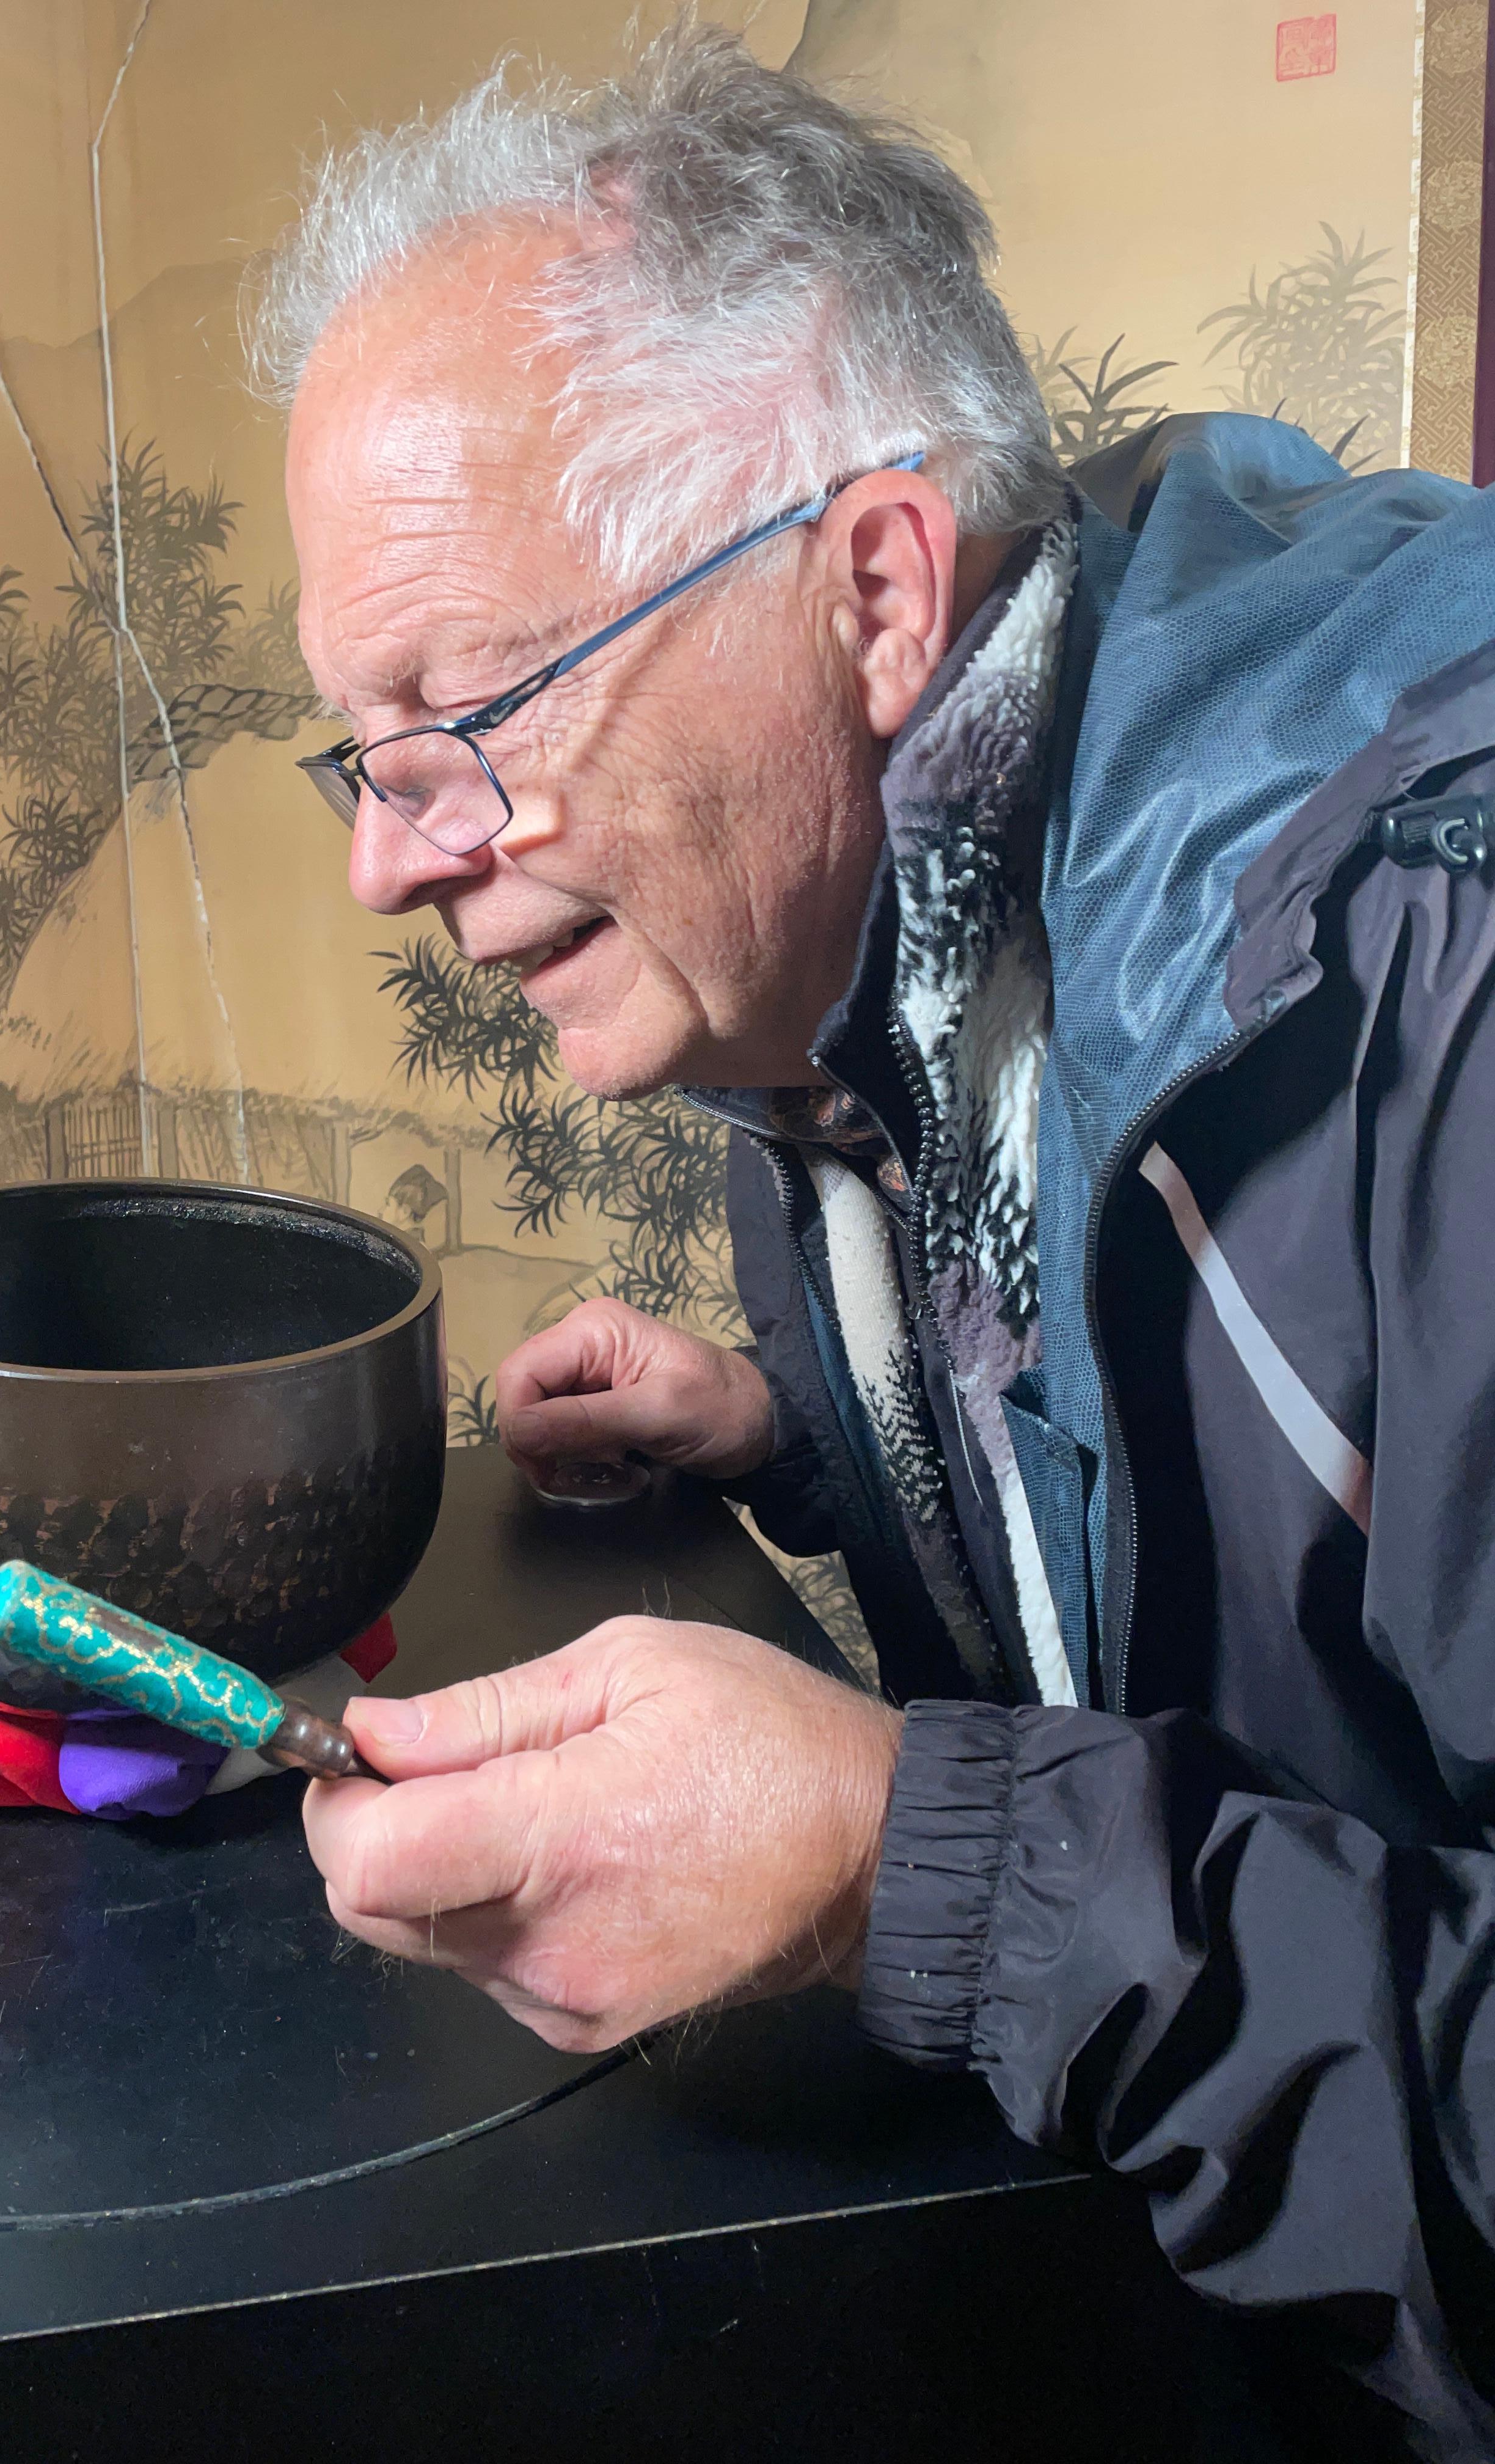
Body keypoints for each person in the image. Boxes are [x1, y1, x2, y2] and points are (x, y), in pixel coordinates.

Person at [251, 27, 1495, 2454]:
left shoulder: (1436, 989)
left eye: (462, 718)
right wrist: (830, 1433)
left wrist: (906, 1872)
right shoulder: (846, 952)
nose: (388, 860)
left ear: (877, 592)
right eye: (360, 751)